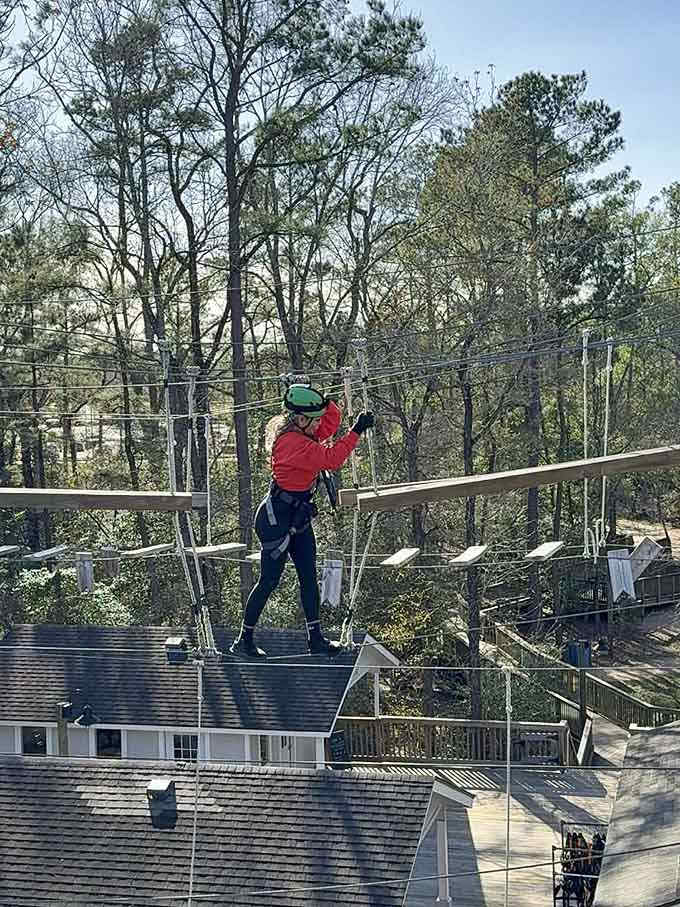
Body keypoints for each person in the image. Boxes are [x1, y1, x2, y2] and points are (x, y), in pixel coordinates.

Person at [230, 384, 374, 659]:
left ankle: (315, 638)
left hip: (298, 516)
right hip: (277, 520)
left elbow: (331, 421)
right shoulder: (292, 444)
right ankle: (244, 639)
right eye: (314, 419)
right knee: (269, 580)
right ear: (300, 419)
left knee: (308, 577)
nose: (320, 424)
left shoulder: (305, 430)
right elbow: (332, 459)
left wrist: (320, 398)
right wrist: (356, 431)